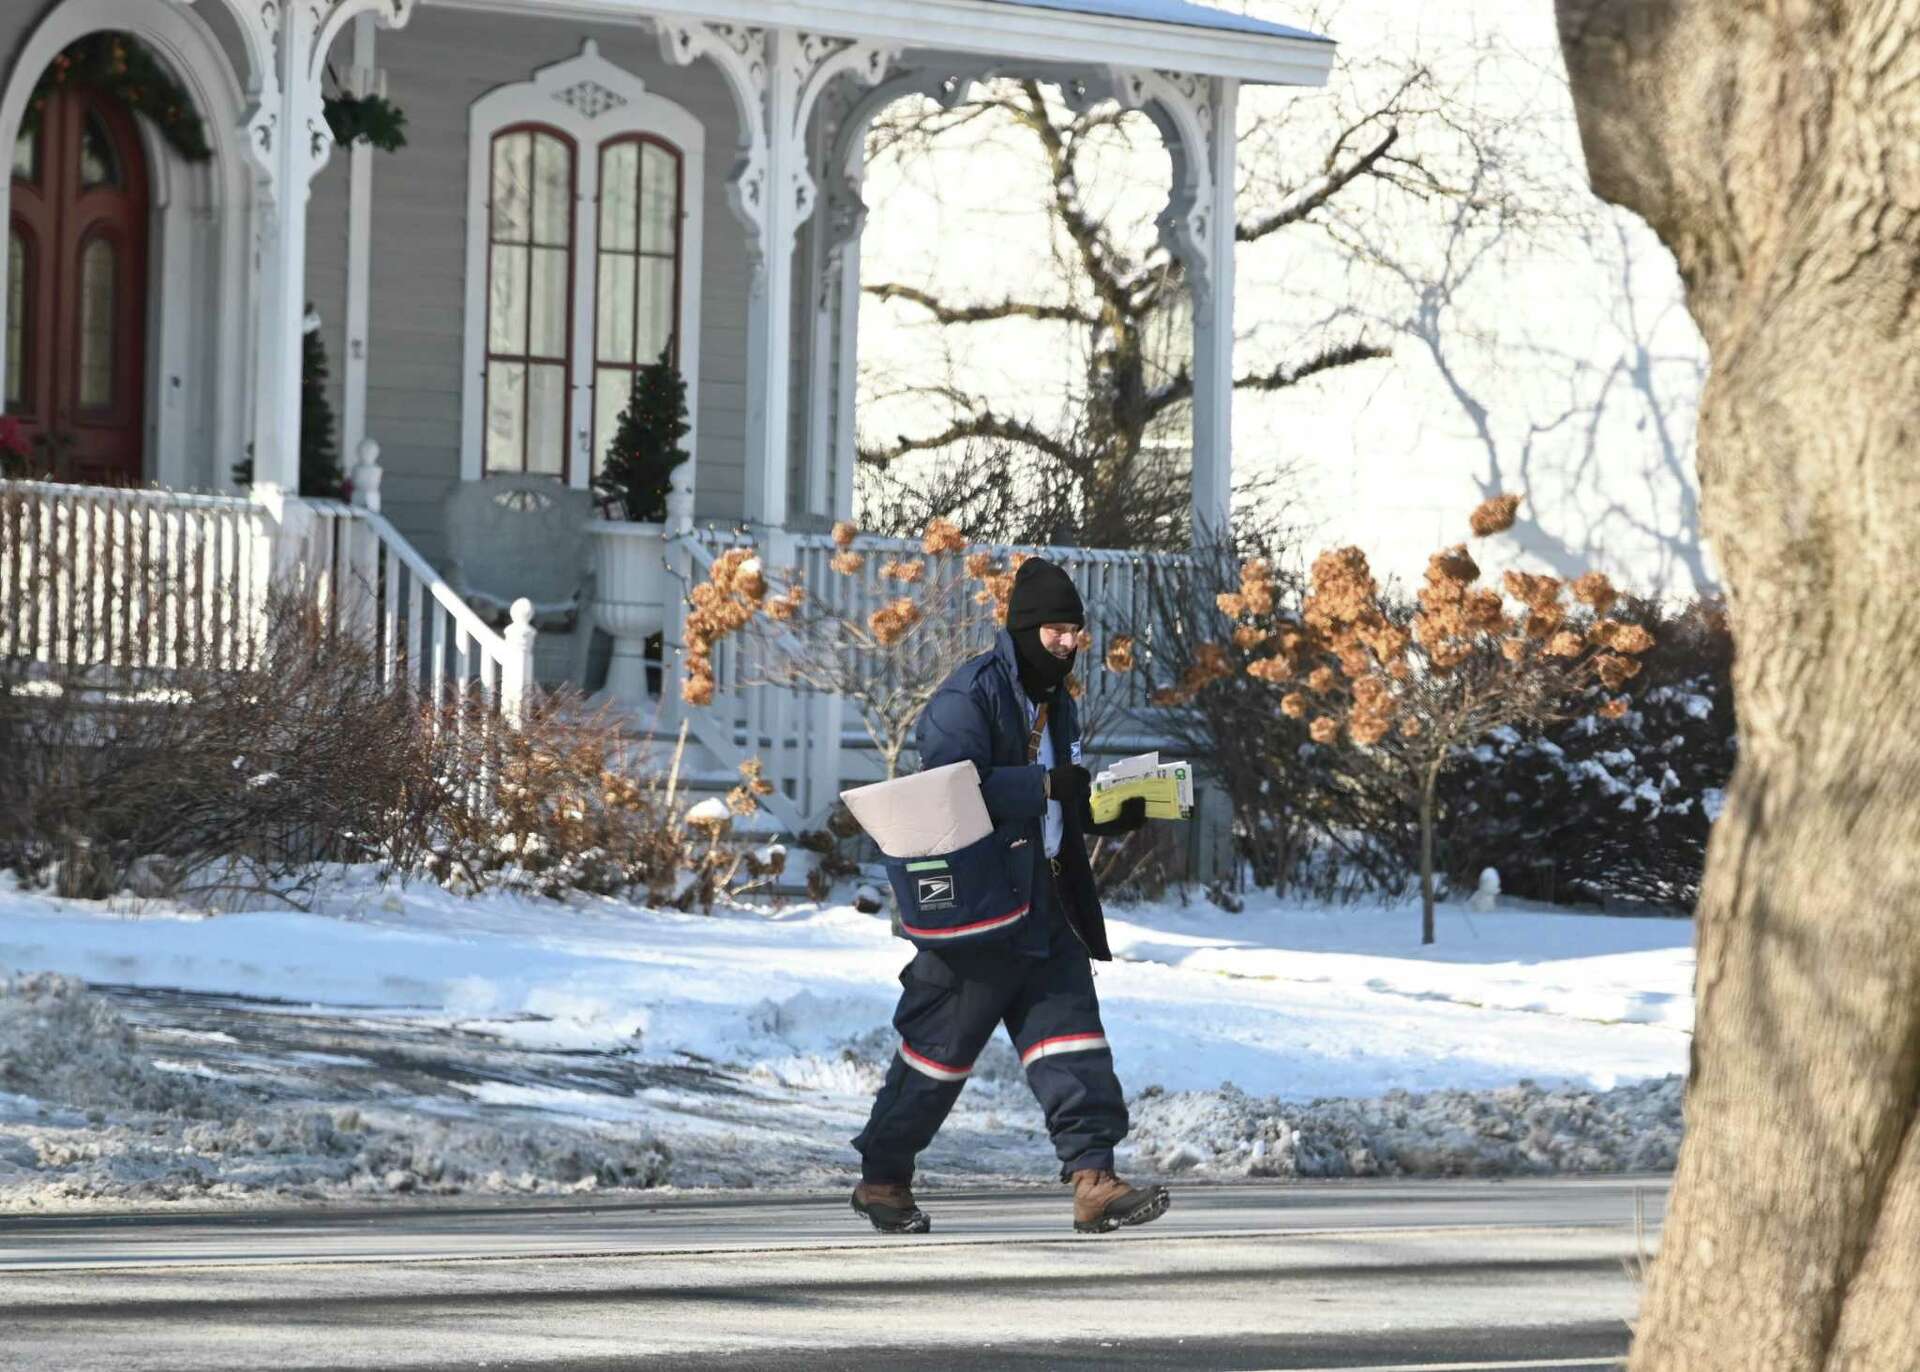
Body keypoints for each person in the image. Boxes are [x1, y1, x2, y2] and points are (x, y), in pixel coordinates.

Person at [850, 556, 1169, 1236]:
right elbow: (947, 792)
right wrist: (1043, 787)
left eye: (1075, 629)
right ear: (1024, 629)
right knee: (935, 1060)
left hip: (1045, 907)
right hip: (977, 914)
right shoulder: (969, 697)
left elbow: (1058, 807)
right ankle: (882, 1178)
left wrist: (1112, 810)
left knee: (1074, 1044)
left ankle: (1094, 1179)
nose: (1067, 641)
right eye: (1055, 628)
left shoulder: (1057, 702)